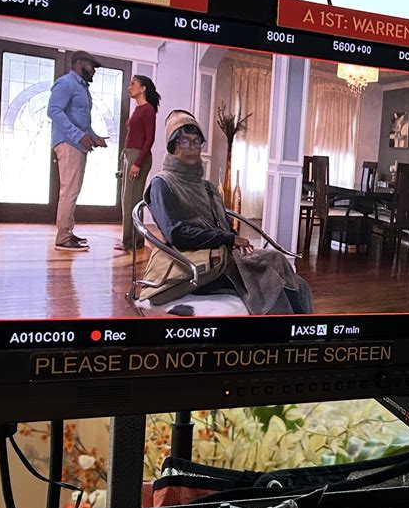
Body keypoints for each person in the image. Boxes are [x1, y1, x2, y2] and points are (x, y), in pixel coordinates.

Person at [145, 109, 314, 315]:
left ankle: (298, 327)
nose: (192, 147)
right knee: (275, 266)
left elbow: (223, 226)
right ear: (172, 145)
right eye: (184, 141)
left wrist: (231, 239)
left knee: (295, 280)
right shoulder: (162, 184)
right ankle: (292, 328)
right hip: (190, 265)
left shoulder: (206, 186)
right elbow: (176, 234)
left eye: (197, 141)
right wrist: (229, 239)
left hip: (221, 257)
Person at [47, 50, 107, 251]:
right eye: (92, 66)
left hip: (77, 144)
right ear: (80, 63)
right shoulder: (66, 83)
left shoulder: (83, 88)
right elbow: (53, 110)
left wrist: (93, 136)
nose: (94, 71)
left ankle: (67, 232)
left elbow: (82, 122)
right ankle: (63, 237)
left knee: (72, 190)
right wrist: (79, 136)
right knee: (69, 191)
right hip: (68, 143)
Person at [114, 75, 160, 252]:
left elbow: (150, 139)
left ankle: (131, 242)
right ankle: (134, 240)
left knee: (131, 201)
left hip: (138, 157)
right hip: (130, 155)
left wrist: (137, 163)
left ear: (143, 89)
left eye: (133, 84)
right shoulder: (139, 109)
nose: (129, 87)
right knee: (128, 200)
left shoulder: (147, 110)